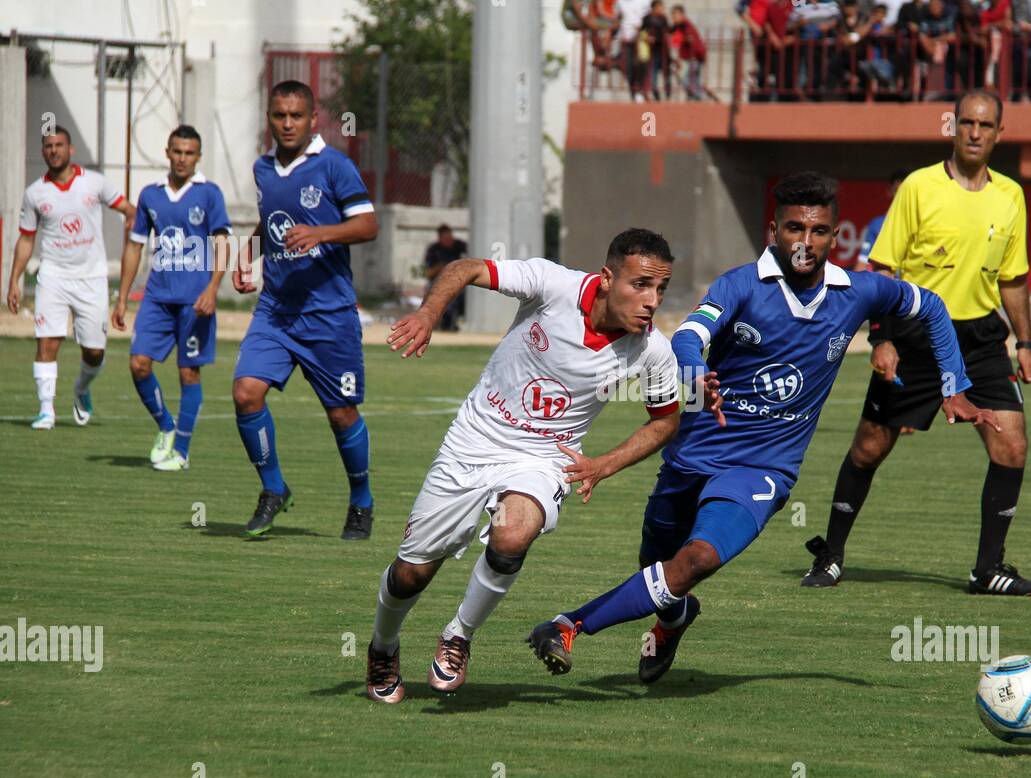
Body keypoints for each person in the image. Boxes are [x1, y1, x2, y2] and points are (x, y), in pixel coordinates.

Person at [525, 171, 995, 684]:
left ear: (834, 236)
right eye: (794, 228)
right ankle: (673, 623)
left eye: (818, 231)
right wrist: (694, 372)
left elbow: (930, 306)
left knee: (697, 559)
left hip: (762, 469)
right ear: (774, 230)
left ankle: (568, 625)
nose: (805, 242)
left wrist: (955, 383)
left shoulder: (857, 293)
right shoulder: (741, 285)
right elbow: (689, 334)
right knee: (659, 569)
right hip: (691, 458)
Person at [367, 230, 685, 700]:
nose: (651, 300)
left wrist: (603, 465)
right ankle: (382, 645)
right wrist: (429, 313)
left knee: (514, 533)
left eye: (660, 289)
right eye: (640, 285)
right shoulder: (552, 284)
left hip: (542, 459)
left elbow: (665, 421)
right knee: (413, 571)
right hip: (472, 442)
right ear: (606, 278)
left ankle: (459, 635)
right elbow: (468, 268)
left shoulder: (652, 351)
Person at [803, 90, 1031, 597]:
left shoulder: (1012, 196)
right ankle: (832, 556)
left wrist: (1025, 341)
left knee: (1013, 444)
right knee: (869, 448)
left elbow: (1014, 278)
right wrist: (882, 337)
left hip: (980, 337)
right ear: (953, 128)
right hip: (916, 333)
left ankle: (987, 570)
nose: (975, 133)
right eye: (967, 123)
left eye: (985, 125)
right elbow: (883, 269)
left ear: (1000, 133)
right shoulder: (918, 187)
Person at [230, 80, 380, 538]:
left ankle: (361, 500)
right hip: (276, 310)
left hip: (329, 315)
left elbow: (368, 225)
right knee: (245, 393)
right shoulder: (263, 169)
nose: (288, 123)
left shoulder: (335, 166)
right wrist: (248, 252)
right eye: (279, 116)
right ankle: (274, 489)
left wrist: (322, 233)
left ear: (313, 119)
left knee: (341, 415)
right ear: (270, 118)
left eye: (297, 116)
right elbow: (270, 218)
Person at [112, 125, 231, 470]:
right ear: (167, 153)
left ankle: (181, 451)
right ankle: (165, 425)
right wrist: (122, 299)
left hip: (195, 301)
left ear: (198, 157)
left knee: (189, 374)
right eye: (177, 151)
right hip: (156, 298)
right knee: (138, 364)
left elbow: (222, 243)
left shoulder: (209, 194)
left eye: (189, 153)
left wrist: (212, 288)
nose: (182, 158)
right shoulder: (151, 195)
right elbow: (134, 247)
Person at [7, 125, 135, 430]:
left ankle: (81, 388)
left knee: (94, 350)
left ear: (71, 149)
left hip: (91, 277)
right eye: (48, 146)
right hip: (53, 276)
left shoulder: (95, 183)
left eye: (59, 145)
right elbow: (26, 239)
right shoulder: (35, 193)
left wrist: (135, 224)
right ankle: (46, 410)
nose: (54, 150)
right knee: (47, 342)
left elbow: (128, 209)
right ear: (43, 152)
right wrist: (13, 279)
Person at [423, 223, 468, 330]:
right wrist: (441, 267)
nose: (449, 240)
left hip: (460, 282)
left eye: (450, 237)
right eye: (445, 238)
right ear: (440, 238)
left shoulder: (460, 246)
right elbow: (428, 273)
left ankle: (453, 323)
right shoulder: (434, 250)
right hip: (438, 281)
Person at [614, 0, 654, 100]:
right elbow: (618, 18)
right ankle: (634, 90)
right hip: (626, 37)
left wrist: (644, 31)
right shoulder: (620, 0)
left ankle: (641, 89)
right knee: (627, 66)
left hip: (642, 37)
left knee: (642, 62)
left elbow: (649, 18)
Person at [670, 3, 709, 100]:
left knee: (686, 81)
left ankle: (700, 97)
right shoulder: (680, 26)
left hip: (694, 57)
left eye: (676, 14)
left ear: (682, 15)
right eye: (673, 15)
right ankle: (696, 98)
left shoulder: (685, 25)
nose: (674, 17)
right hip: (693, 57)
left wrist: (683, 39)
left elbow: (689, 39)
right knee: (694, 81)